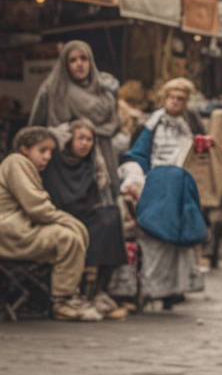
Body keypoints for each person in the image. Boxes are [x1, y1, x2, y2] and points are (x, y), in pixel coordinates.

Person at [117, 78, 206, 309]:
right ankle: (155, 287)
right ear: (165, 98)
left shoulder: (191, 123)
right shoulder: (151, 124)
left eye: (180, 99)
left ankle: (177, 287)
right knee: (157, 232)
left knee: (183, 234)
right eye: (172, 97)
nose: (175, 102)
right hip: (157, 183)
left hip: (182, 184)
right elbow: (138, 154)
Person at [0, 126, 101, 321]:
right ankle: (63, 301)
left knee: (67, 236)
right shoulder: (17, 162)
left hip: (17, 228)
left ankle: (64, 294)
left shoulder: (22, 165)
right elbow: (37, 207)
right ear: (24, 149)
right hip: (10, 231)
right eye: (42, 151)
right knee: (67, 238)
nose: (47, 157)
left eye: (50, 152)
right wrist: (73, 224)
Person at [41, 119, 128, 317]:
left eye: (89, 139)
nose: (85, 144)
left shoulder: (91, 163)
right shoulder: (56, 161)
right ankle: (80, 290)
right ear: (70, 139)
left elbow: (94, 196)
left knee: (111, 217)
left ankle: (100, 288)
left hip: (84, 212)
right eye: (80, 138)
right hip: (60, 213)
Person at [30, 41, 120, 200]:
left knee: (104, 210)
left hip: (103, 156)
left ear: (90, 61)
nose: (79, 64)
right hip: (68, 164)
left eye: (83, 59)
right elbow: (35, 130)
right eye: (73, 60)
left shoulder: (103, 88)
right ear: (65, 64)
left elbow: (114, 124)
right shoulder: (53, 89)